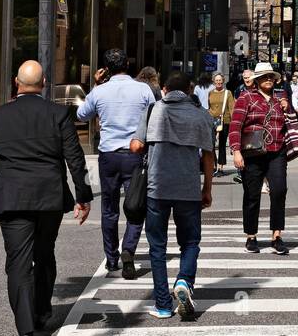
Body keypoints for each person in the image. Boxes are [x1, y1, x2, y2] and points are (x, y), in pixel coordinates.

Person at [0, 60, 92, 336]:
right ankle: (41, 312)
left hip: (11, 198)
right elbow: (74, 158)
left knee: (18, 264)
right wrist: (83, 195)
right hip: (48, 198)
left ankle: (25, 333)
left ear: (16, 82)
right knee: (44, 253)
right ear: (45, 82)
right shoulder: (59, 114)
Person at [130, 70, 215, 320]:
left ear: (164, 89)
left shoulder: (153, 110)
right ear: (190, 90)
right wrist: (207, 189)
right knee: (190, 242)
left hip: (157, 188)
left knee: (157, 247)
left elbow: (136, 145)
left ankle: (163, 305)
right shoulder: (201, 115)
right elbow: (209, 157)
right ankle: (184, 281)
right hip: (188, 190)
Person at [76, 49, 155, 279]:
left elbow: (82, 114)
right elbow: (155, 113)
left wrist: (96, 86)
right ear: (128, 64)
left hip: (108, 155)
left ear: (106, 69)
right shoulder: (143, 89)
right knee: (136, 205)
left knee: (109, 209)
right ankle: (128, 249)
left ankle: (111, 258)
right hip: (135, 153)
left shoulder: (100, 91)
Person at [230, 62, 291, 255]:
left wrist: (286, 109)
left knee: (279, 190)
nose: (268, 80)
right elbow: (235, 125)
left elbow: (290, 123)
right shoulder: (246, 98)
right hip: (253, 152)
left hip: (277, 150)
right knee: (252, 194)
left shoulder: (279, 99)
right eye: (264, 77)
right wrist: (236, 151)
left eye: (270, 77)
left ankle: (276, 236)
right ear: (257, 80)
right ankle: (251, 235)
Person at [208, 73, 233, 173]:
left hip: (224, 121)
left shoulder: (228, 93)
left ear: (223, 81)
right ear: (214, 81)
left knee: (222, 144)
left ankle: (220, 166)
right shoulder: (210, 93)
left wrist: (234, 122)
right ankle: (213, 164)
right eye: (216, 80)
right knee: (211, 144)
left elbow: (231, 108)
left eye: (220, 80)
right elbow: (209, 106)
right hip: (212, 120)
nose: (218, 82)